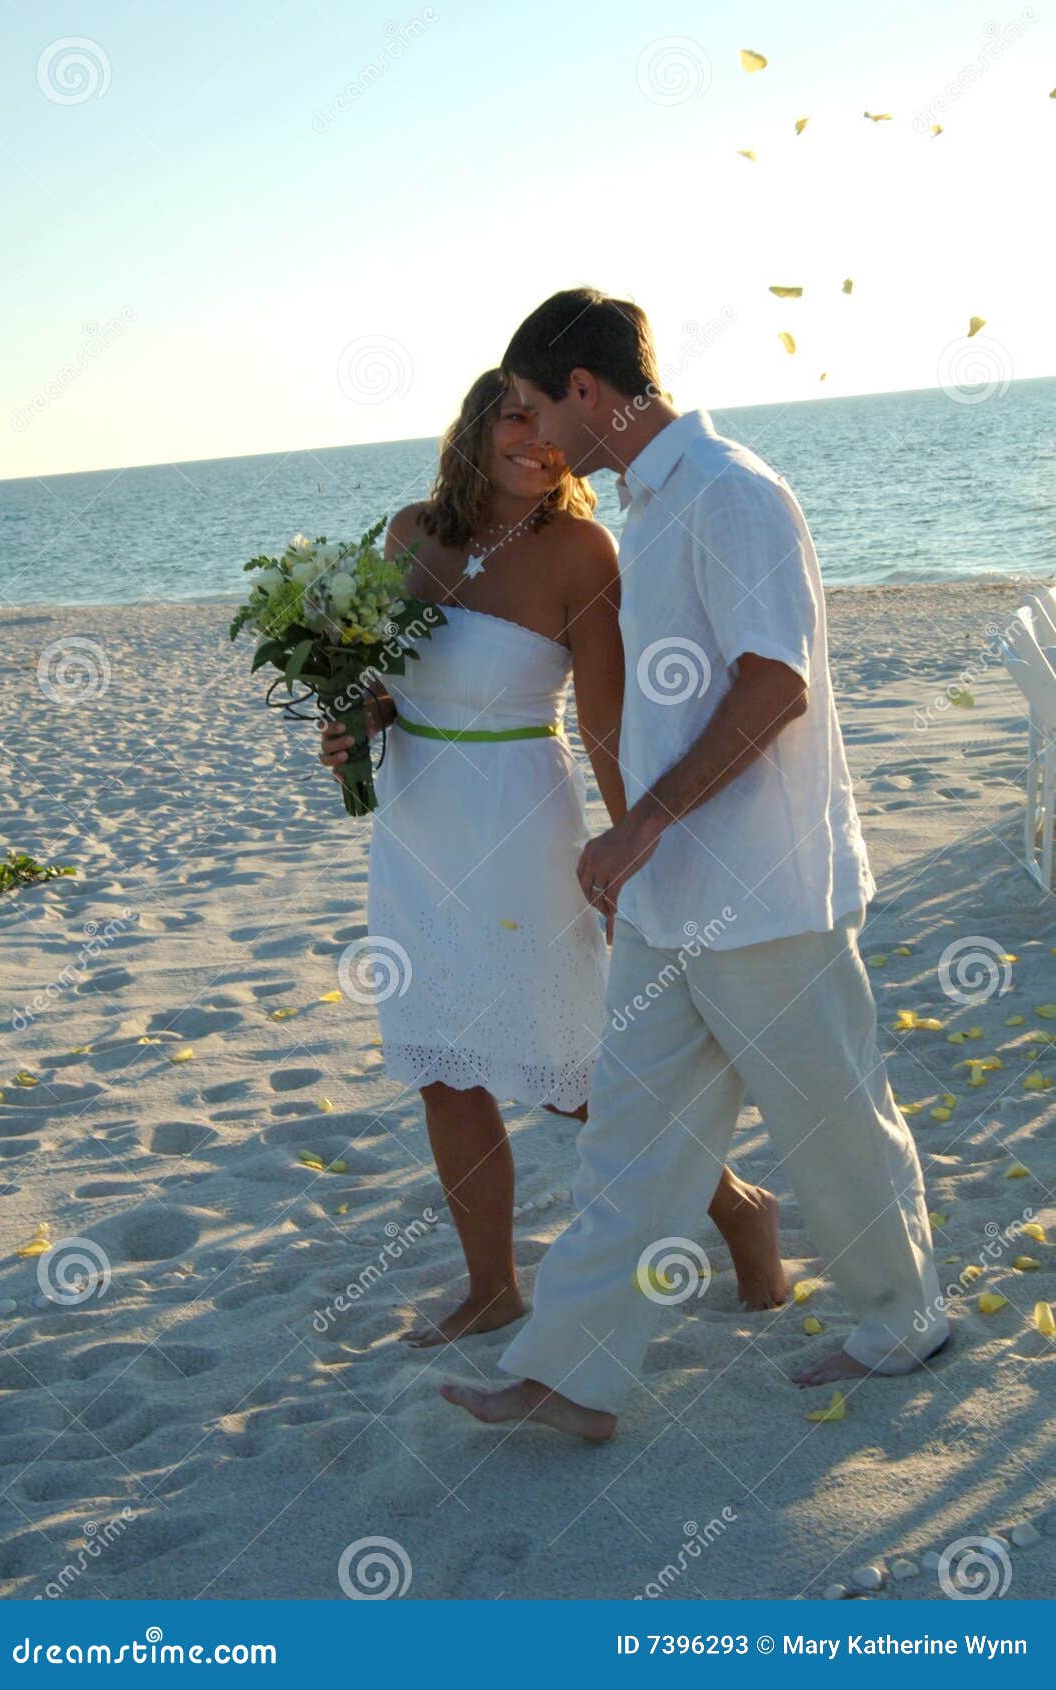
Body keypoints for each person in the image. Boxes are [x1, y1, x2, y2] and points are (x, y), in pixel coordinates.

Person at [441, 291, 949, 1439]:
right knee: (628, 1142)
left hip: (766, 892)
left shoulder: (731, 492)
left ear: (584, 390)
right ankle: (570, 1376)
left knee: (832, 1123)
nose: (532, 434)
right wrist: (643, 845)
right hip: (671, 898)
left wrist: (642, 824)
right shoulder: (650, 505)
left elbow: (776, 682)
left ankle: (902, 1323)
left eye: (533, 405)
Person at [320, 368, 788, 1347]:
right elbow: (389, 681)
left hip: (521, 826)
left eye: (546, 420)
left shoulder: (582, 549)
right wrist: (359, 720)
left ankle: (739, 1207)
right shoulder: (408, 535)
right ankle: (492, 1286)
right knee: (443, 1064)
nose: (535, 439)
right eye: (513, 418)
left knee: (574, 1072)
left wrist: (628, 843)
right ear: (474, 429)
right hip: (413, 826)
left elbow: (604, 723)